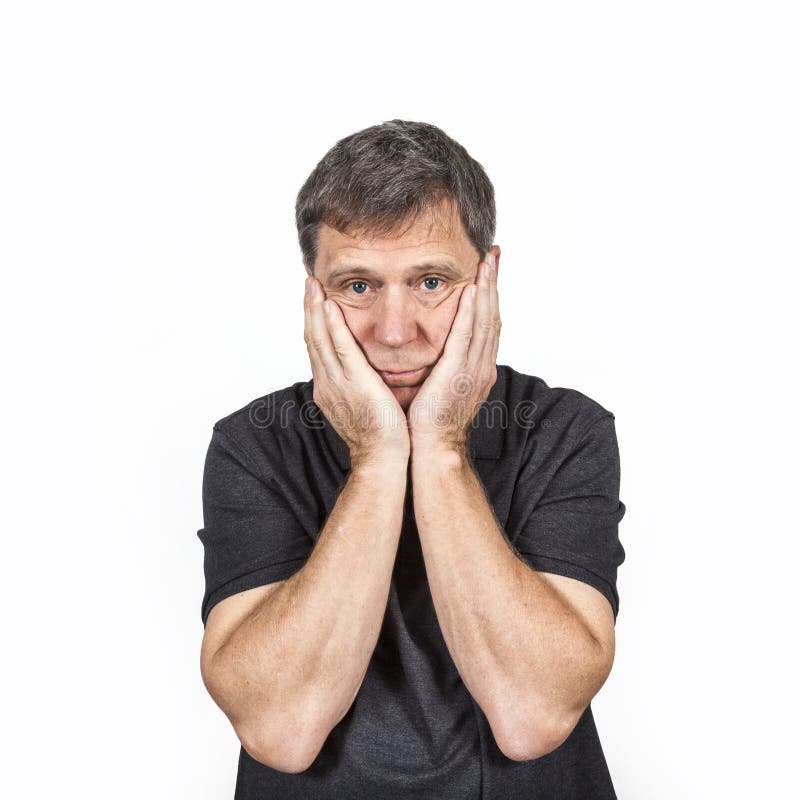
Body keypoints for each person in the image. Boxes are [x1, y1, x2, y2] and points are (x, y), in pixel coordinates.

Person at [197, 119, 627, 799]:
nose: (395, 333)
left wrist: (442, 449)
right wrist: (376, 461)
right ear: (314, 290)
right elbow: (281, 728)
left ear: (487, 279)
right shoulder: (254, 444)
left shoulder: (564, 430)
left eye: (430, 281)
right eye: (359, 286)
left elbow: (531, 715)